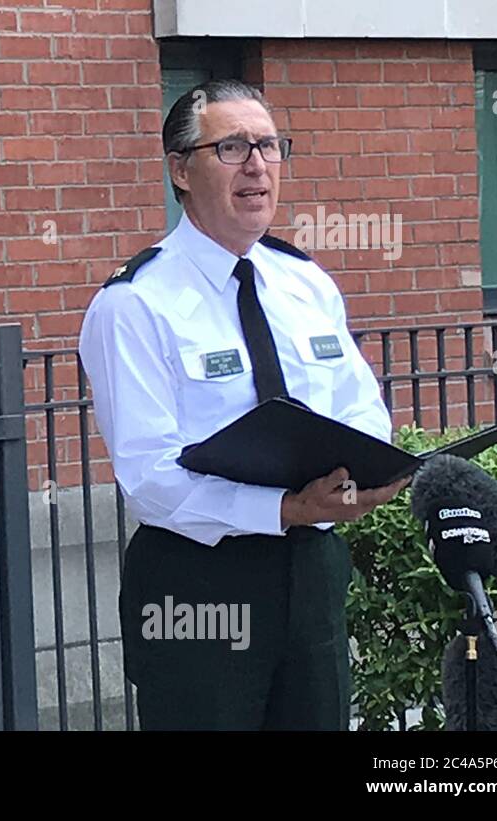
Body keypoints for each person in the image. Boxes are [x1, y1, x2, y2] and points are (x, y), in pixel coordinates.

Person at [78, 79, 410, 730]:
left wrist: (365, 475)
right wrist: (283, 507)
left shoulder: (305, 282)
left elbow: (363, 409)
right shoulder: (134, 303)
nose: (257, 165)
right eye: (231, 147)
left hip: (311, 570)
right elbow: (149, 480)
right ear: (180, 169)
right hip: (200, 583)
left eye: (269, 146)